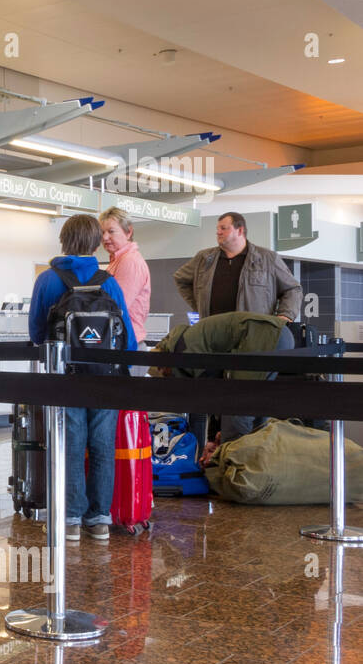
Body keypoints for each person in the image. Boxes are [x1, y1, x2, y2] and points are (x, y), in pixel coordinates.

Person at [28, 213, 137, 542]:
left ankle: (71, 518)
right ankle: (100, 520)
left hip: (66, 379)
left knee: (72, 446)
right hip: (106, 379)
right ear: (93, 242)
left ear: (63, 240)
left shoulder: (48, 280)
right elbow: (128, 340)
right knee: (103, 447)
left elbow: (36, 334)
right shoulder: (109, 281)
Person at [151, 311, 297, 458]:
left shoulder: (184, 349)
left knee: (236, 408)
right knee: (256, 411)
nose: (170, 379)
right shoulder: (189, 340)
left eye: (165, 375)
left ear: (164, 365)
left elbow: (214, 394)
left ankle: (232, 469)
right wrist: (215, 436)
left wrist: (214, 438)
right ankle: (256, 466)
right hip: (278, 335)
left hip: (263, 336)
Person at [173, 211, 302, 321]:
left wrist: (285, 315)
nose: (218, 232)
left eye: (223, 228)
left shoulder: (267, 258)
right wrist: (200, 304)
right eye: (217, 229)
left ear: (240, 230)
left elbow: (293, 289)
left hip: (253, 335)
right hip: (211, 334)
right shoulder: (204, 258)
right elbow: (180, 279)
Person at [100, 207, 151, 367]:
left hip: (129, 346)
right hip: (121, 344)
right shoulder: (118, 261)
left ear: (128, 232)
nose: (105, 237)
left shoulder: (129, 261)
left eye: (111, 231)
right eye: (102, 232)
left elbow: (116, 307)